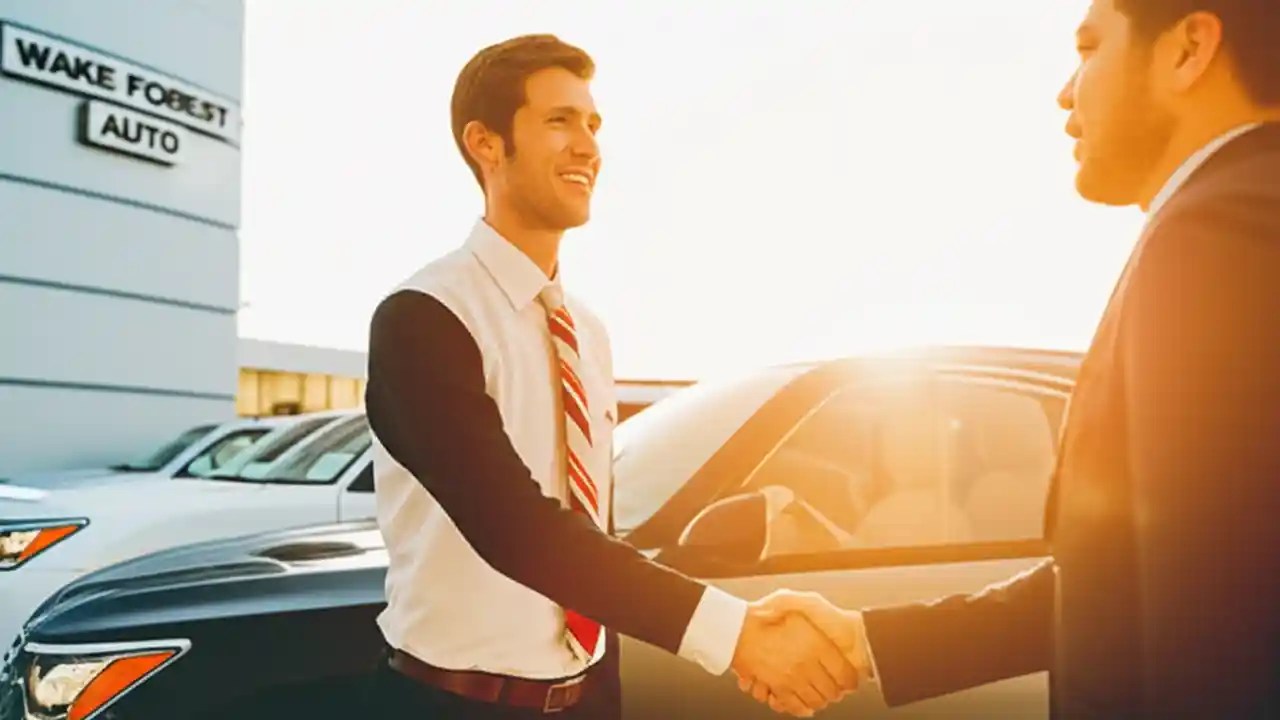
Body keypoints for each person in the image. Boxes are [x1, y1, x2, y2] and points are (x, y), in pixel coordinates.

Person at [751, 1, 1280, 717]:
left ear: (1188, 48)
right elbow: (1148, 577)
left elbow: (1222, 632)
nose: (1067, 89)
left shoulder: (1222, 229)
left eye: (1089, 48)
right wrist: (867, 638)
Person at [362, 34, 858, 718]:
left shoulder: (586, 332)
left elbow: (593, 533)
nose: (588, 146)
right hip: (452, 702)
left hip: (587, 697)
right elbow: (515, 527)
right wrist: (733, 634)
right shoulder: (423, 318)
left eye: (593, 124)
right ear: (486, 143)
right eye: (559, 121)